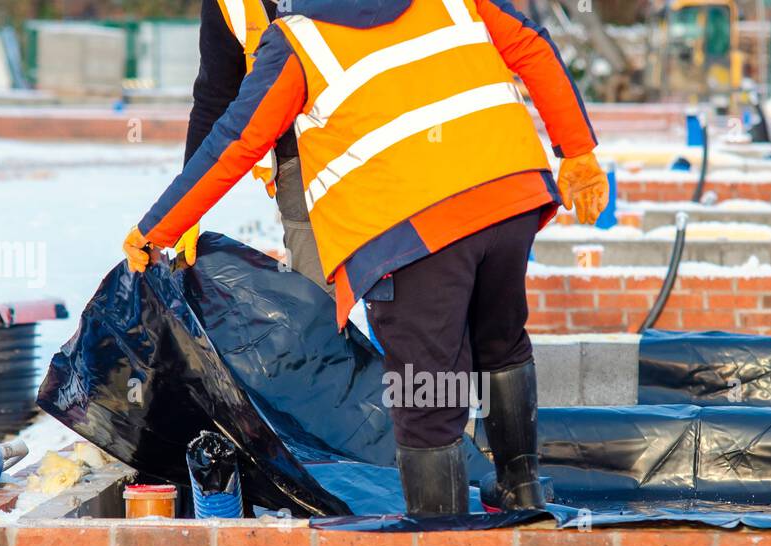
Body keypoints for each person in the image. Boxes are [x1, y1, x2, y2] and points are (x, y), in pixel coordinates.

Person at [122, 0, 608, 516]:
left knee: (425, 391)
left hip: (413, 228)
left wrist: (161, 227)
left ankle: (438, 539)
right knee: (501, 341)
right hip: (509, 198)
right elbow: (531, 43)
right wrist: (576, 151)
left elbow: (237, 139)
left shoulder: (299, 40)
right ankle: (522, 488)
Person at [176, 0, 331, 289]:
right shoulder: (229, 5)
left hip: (376, 146)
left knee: (397, 297)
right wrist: (187, 208)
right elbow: (214, 98)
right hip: (298, 169)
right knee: (318, 300)